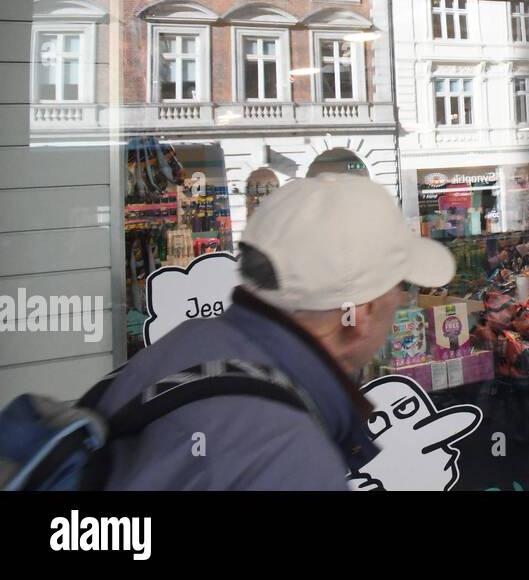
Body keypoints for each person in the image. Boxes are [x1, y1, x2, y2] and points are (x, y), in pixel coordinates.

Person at [95, 174, 455, 489]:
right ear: (358, 316)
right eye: (397, 287)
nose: (400, 300)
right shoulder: (289, 455)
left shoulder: (186, 345)